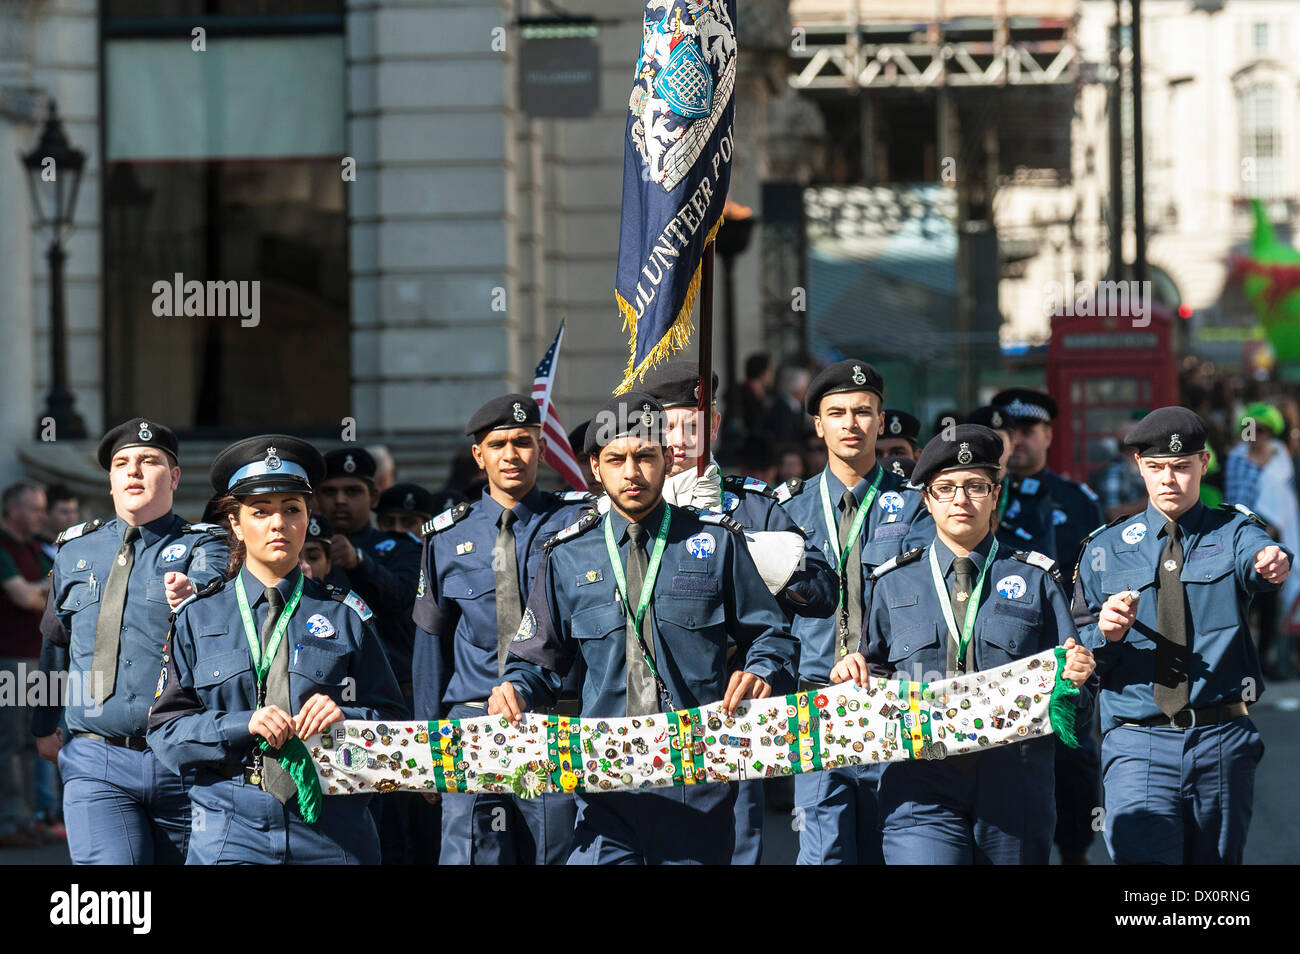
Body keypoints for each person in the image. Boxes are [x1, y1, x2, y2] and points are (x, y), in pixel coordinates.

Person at [490, 392, 799, 865]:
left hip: (697, 779)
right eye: (616, 459)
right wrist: (514, 688)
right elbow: (538, 661)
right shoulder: (567, 555)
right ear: (596, 467)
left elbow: (771, 635)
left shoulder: (715, 543)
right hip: (604, 787)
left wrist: (760, 669)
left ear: (669, 458)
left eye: (645, 456)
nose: (631, 472)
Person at [830, 424, 1095, 864]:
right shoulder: (892, 583)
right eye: (946, 488)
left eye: (975, 486)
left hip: (1014, 784)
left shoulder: (1037, 579)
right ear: (927, 500)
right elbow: (871, 674)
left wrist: (1076, 684)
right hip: (919, 783)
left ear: (995, 495)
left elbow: (1076, 708)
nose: (960, 499)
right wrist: (849, 676)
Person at [148, 435, 405, 864]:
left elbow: (394, 722)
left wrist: (347, 716)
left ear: (308, 518)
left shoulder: (346, 614)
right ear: (235, 523)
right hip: (230, 828)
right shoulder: (198, 616)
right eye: (261, 512)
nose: (278, 524)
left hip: (333, 828)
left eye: (291, 509)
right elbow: (167, 733)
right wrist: (241, 724)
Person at [639, 359, 837, 864]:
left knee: (736, 847)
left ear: (716, 426)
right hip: (637, 718)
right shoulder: (620, 513)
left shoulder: (753, 506)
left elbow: (821, 591)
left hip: (730, 713)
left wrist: (737, 545)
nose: (678, 440)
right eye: (664, 427)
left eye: (692, 424)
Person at [1073, 407, 1290, 865]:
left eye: (1181, 466)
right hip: (1137, 742)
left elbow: (1259, 555)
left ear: (1204, 464)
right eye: (1155, 468)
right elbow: (1079, 657)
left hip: (1221, 738)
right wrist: (1104, 634)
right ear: (1138, 466)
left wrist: (1271, 560)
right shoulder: (1104, 548)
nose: (1168, 479)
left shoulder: (1233, 531)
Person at [32, 418, 229, 864]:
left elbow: (211, 588)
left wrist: (191, 592)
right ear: (110, 481)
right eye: (122, 463)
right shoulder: (74, 550)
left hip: (183, 760)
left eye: (149, 461)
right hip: (94, 757)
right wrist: (43, 725)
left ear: (174, 477)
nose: (133, 471)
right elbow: (55, 644)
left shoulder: (206, 546)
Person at [412, 394, 594, 865]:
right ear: (479, 455)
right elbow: (431, 645)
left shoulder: (580, 524)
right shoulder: (445, 537)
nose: (511, 455)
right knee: (471, 855)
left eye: (522, 442)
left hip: (555, 720)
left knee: (562, 852)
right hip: (470, 726)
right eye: (498, 445)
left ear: (541, 448)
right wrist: (429, 742)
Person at [778, 359, 932, 865]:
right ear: (818, 425)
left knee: (902, 849)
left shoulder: (916, 506)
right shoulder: (785, 510)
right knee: (825, 856)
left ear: (881, 421)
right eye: (837, 412)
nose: (851, 424)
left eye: (864, 412)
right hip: (815, 704)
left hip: (895, 701)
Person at [991, 386, 1104, 865]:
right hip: (1000, 652)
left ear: (1049, 435)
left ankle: (1075, 851)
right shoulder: (981, 493)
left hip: (1063, 651)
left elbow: (1097, 581)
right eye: (1010, 431)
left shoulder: (1076, 499)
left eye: (1029, 431)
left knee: (1073, 763)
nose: (1018, 441)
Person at [0, 481, 51, 848]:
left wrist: (41, 590)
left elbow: (56, 590)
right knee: (11, 742)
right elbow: (25, 599)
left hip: (39, 657)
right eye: (34, 509)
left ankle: (29, 818)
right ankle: (9, 822)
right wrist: (44, 590)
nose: (40, 516)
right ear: (12, 509)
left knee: (33, 741)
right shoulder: (2, 547)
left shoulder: (35, 548)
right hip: (12, 659)